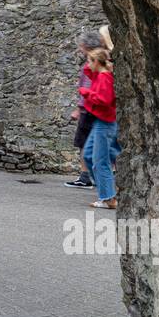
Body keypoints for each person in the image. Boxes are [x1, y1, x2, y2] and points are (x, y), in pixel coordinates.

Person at [65, 27, 112, 189]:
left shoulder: (96, 68)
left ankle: (91, 179)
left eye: (81, 47)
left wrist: (82, 103)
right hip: (93, 110)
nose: (79, 49)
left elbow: (98, 94)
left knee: (87, 145)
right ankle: (95, 180)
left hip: (92, 111)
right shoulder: (97, 65)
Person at [80, 46, 121, 209]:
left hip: (105, 123)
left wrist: (86, 93)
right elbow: (88, 71)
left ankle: (109, 198)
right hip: (100, 121)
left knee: (100, 161)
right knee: (89, 156)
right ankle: (107, 193)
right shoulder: (99, 74)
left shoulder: (104, 77)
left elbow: (104, 99)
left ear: (97, 62)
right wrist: (93, 57)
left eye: (90, 61)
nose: (87, 65)